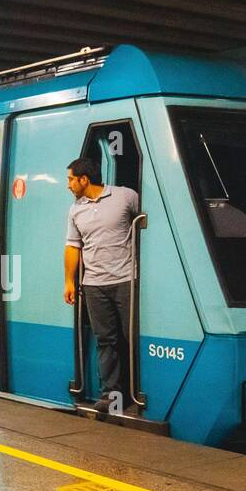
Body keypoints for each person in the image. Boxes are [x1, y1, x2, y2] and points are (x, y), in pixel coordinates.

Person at [64, 156, 141, 416]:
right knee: (105, 340)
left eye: (71, 179)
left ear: (85, 179)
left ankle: (136, 392)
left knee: (130, 337)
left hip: (125, 281)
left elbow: (149, 223)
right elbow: (73, 246)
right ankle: (111, 395)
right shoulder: (76, 209)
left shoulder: (126, 197)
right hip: (94, 284)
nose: (69, 185)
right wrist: (69, 282)